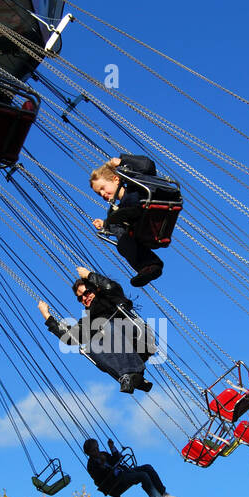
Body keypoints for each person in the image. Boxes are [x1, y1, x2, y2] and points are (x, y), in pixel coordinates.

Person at [39, 266, 155, 394]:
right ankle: (132, 378)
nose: (84, 298)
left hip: (135, 336)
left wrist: (89, 275)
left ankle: (130, 373)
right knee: (90, 347)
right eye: (80, 297)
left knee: (105, 326)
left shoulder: (109, 297)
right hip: (119, 352)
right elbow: (70, 338)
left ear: (96, 289)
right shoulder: (89, 321)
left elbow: (110, 287)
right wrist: (48, 317)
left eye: (87, 293)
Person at [90, 154, 166, 287]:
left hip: (153, 197)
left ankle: (132, 211)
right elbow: (117, 223)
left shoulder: (133, 182)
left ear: (116, 180)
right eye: (98, 193)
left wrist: (123, 161)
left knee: (121, 209)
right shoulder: (116, 210)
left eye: (102, 188)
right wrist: (105, 225)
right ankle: (149, 266)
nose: (102, 194)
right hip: (139, 219)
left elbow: (148, 166)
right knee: (122, 243)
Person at [82, 438, 178, 497]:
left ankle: (163, 493)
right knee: (142, 476)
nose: (97, 451)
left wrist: (112, 448)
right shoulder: (91, 465)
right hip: (115, 482)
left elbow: (116, 459)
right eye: (94, 450)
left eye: (97, 448)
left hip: (123, 473)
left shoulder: (103, 454)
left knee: (147, 468)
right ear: (89, 453)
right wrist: (102, 465)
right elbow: (99, 478)